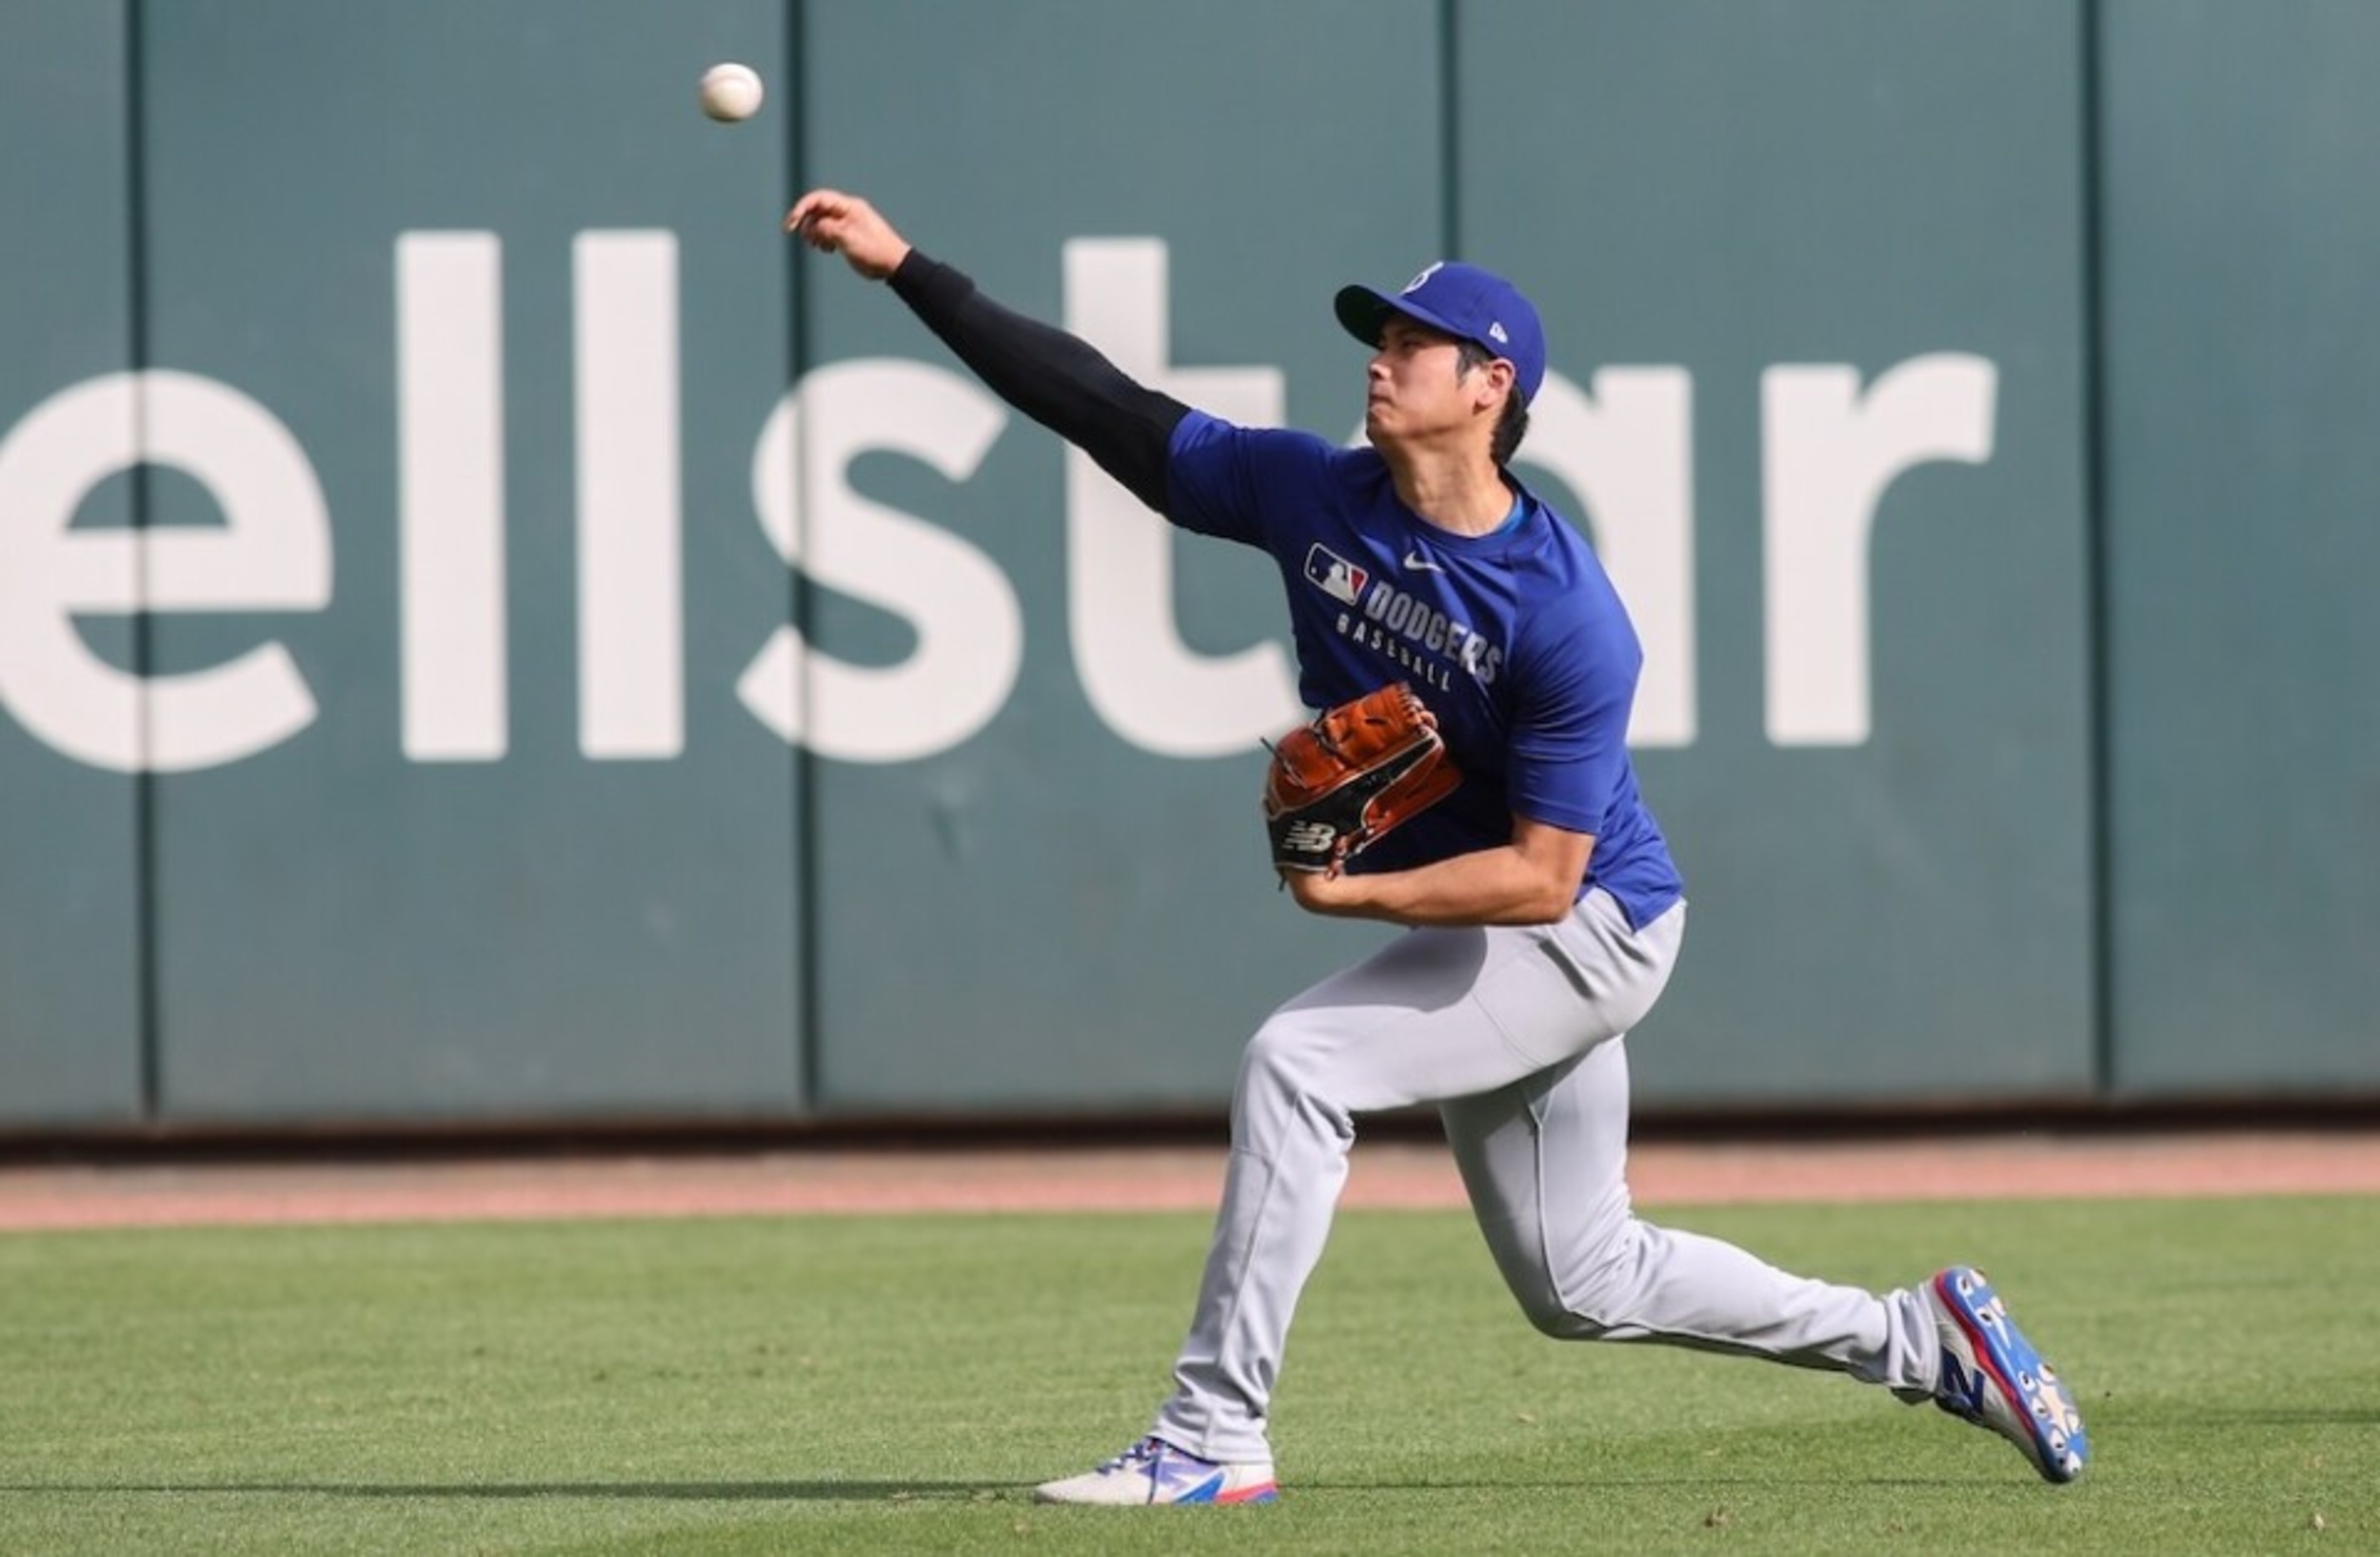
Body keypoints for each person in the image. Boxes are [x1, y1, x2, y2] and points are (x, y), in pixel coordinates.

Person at [783, 189, 2092, 1506]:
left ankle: (1211, 1435)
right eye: (1382, 333)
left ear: (1489, 386)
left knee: (1297, 1065)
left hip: (1585, 930)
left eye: (1413, 341)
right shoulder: (1310, 494)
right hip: (1487, 921)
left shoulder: (1567, 616)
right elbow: (1100, 405)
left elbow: (1544, 877)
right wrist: (909, 271)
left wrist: (1352, 892)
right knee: (1584, 1281)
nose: (1381, 355)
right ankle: (1920, 1338)